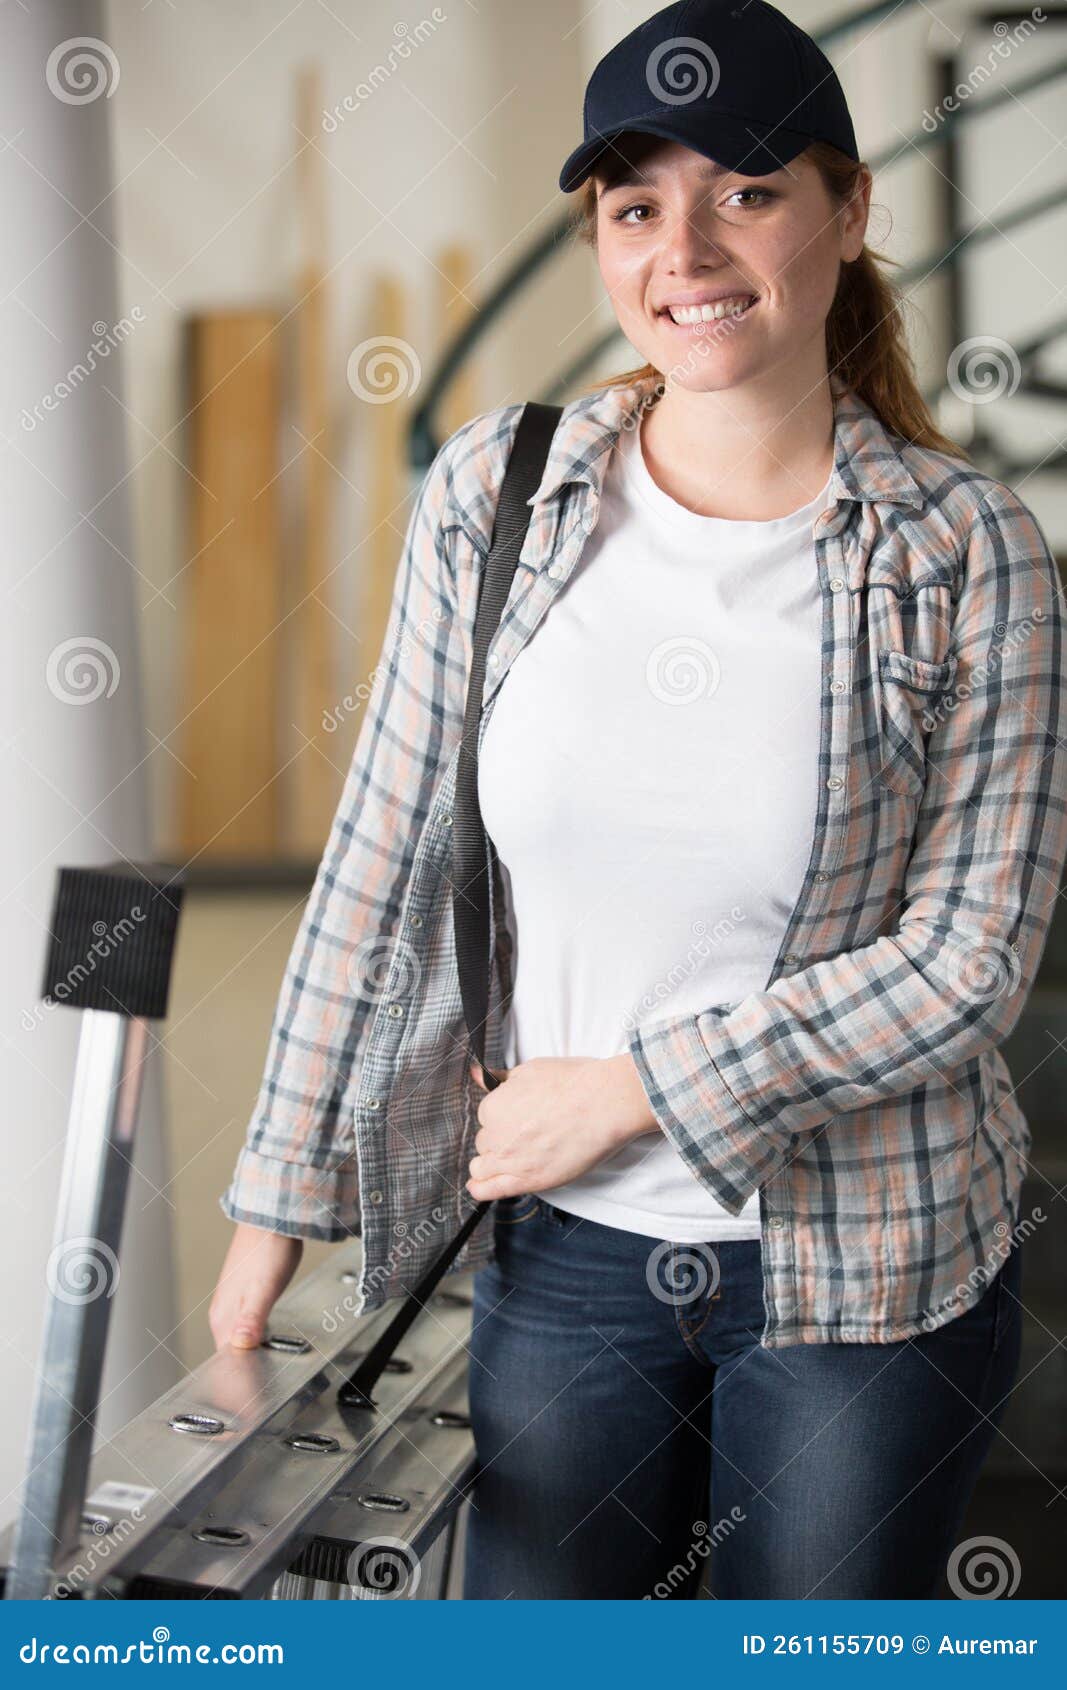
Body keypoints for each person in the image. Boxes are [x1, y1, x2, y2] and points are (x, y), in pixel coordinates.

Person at [211, 0, 1067, 1599]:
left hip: (870, 1276)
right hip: (567, 1259)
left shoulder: (967, 550)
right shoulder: (502, 490)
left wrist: (633, 1091)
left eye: (746, 191)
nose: (687, 251)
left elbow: (970, 962)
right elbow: (387, 851)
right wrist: (274, 1204)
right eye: (634, 208)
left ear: (848, 209)